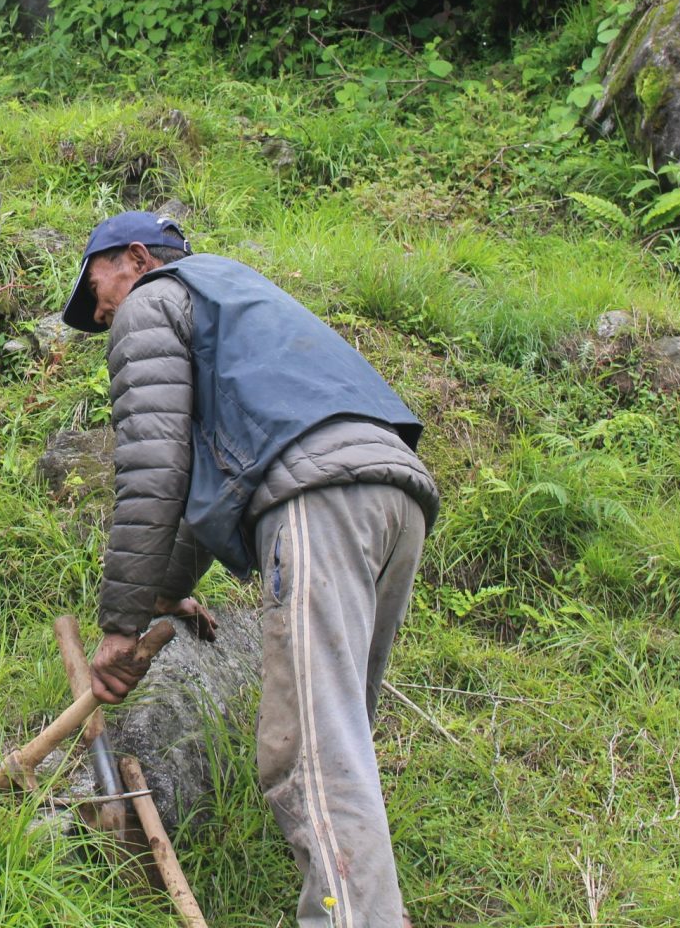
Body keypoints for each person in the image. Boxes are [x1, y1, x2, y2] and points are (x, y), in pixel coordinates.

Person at [65, 210, 439, 928]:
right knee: (339, 742)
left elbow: (154, 473)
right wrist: (165, 595)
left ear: (136, 258)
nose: (100, 312)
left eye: (96, 289)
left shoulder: (151, 302)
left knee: (310, 754)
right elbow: (226, 474)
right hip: (395, 491)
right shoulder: (235, 293)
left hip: (319, 499)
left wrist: (117, 626)